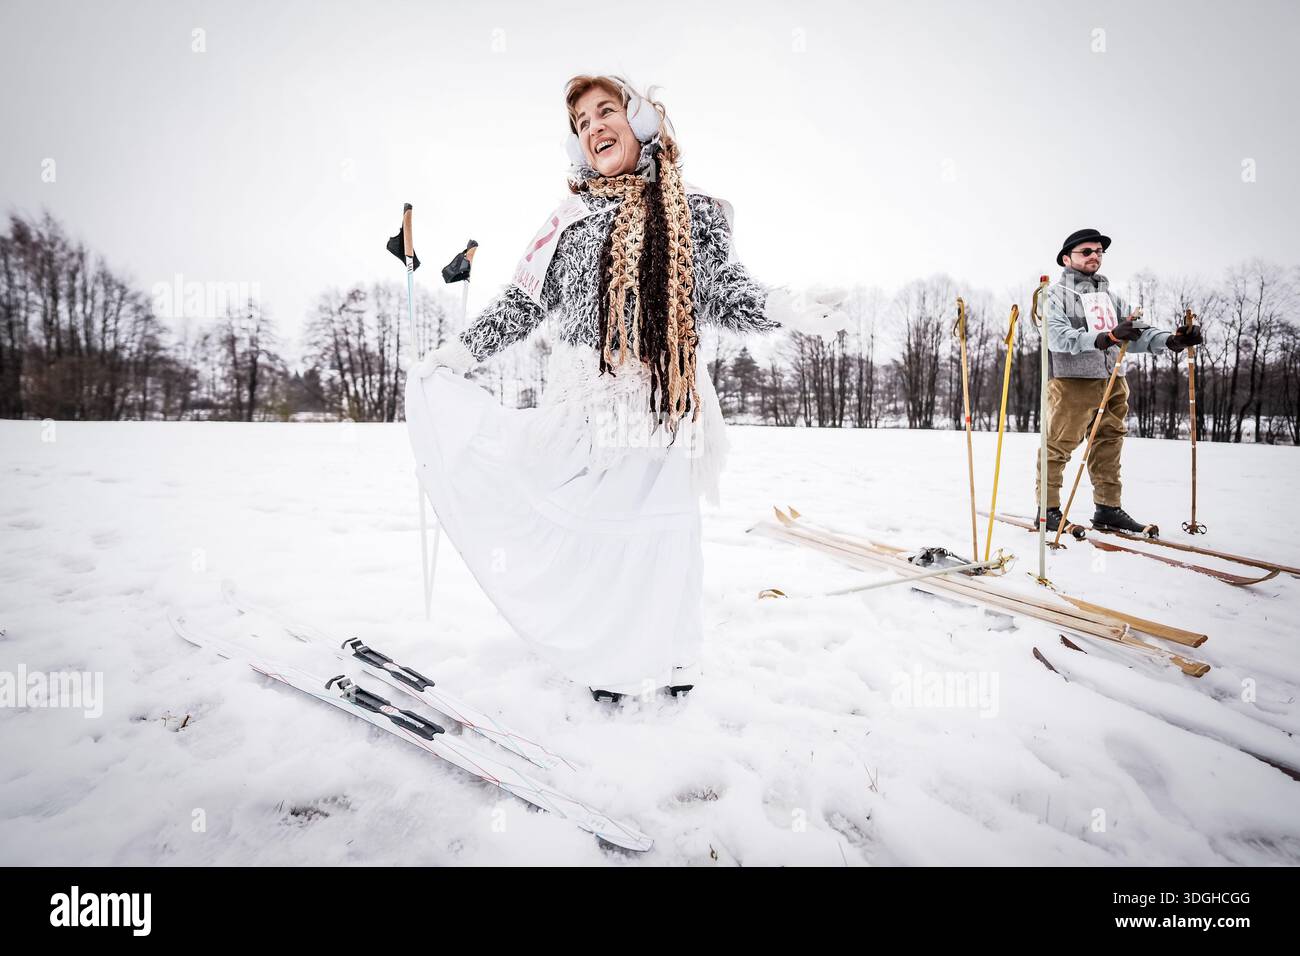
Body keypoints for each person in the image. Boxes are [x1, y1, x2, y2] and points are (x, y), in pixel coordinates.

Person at [404, 74, 846, 702]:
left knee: (663, 543)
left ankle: (670, 662)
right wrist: (459, 352)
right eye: (581, 123)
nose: (594, 128)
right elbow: (522, 305)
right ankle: (604, 664)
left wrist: (785, 306)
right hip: (586, 405)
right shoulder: (568, 222)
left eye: (605, 111)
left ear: (639, 122)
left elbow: (721, 292)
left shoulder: (692, 211)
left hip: (664, 403)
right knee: (596, 539)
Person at [1037, 228, 1202, 535]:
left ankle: (1108, 509)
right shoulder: (1052, 296)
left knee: (1109, 444)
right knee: (1059, 445)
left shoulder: (1110, 298)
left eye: (1099, 251)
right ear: (1066, 258)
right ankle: (1047, 510)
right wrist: (1107, 337)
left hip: (1113, 378)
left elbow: (1138, 333)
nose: (1094, 256)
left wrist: (1172, 341)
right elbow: (1058, 337)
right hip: (1073, 381)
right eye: (1086, 251)